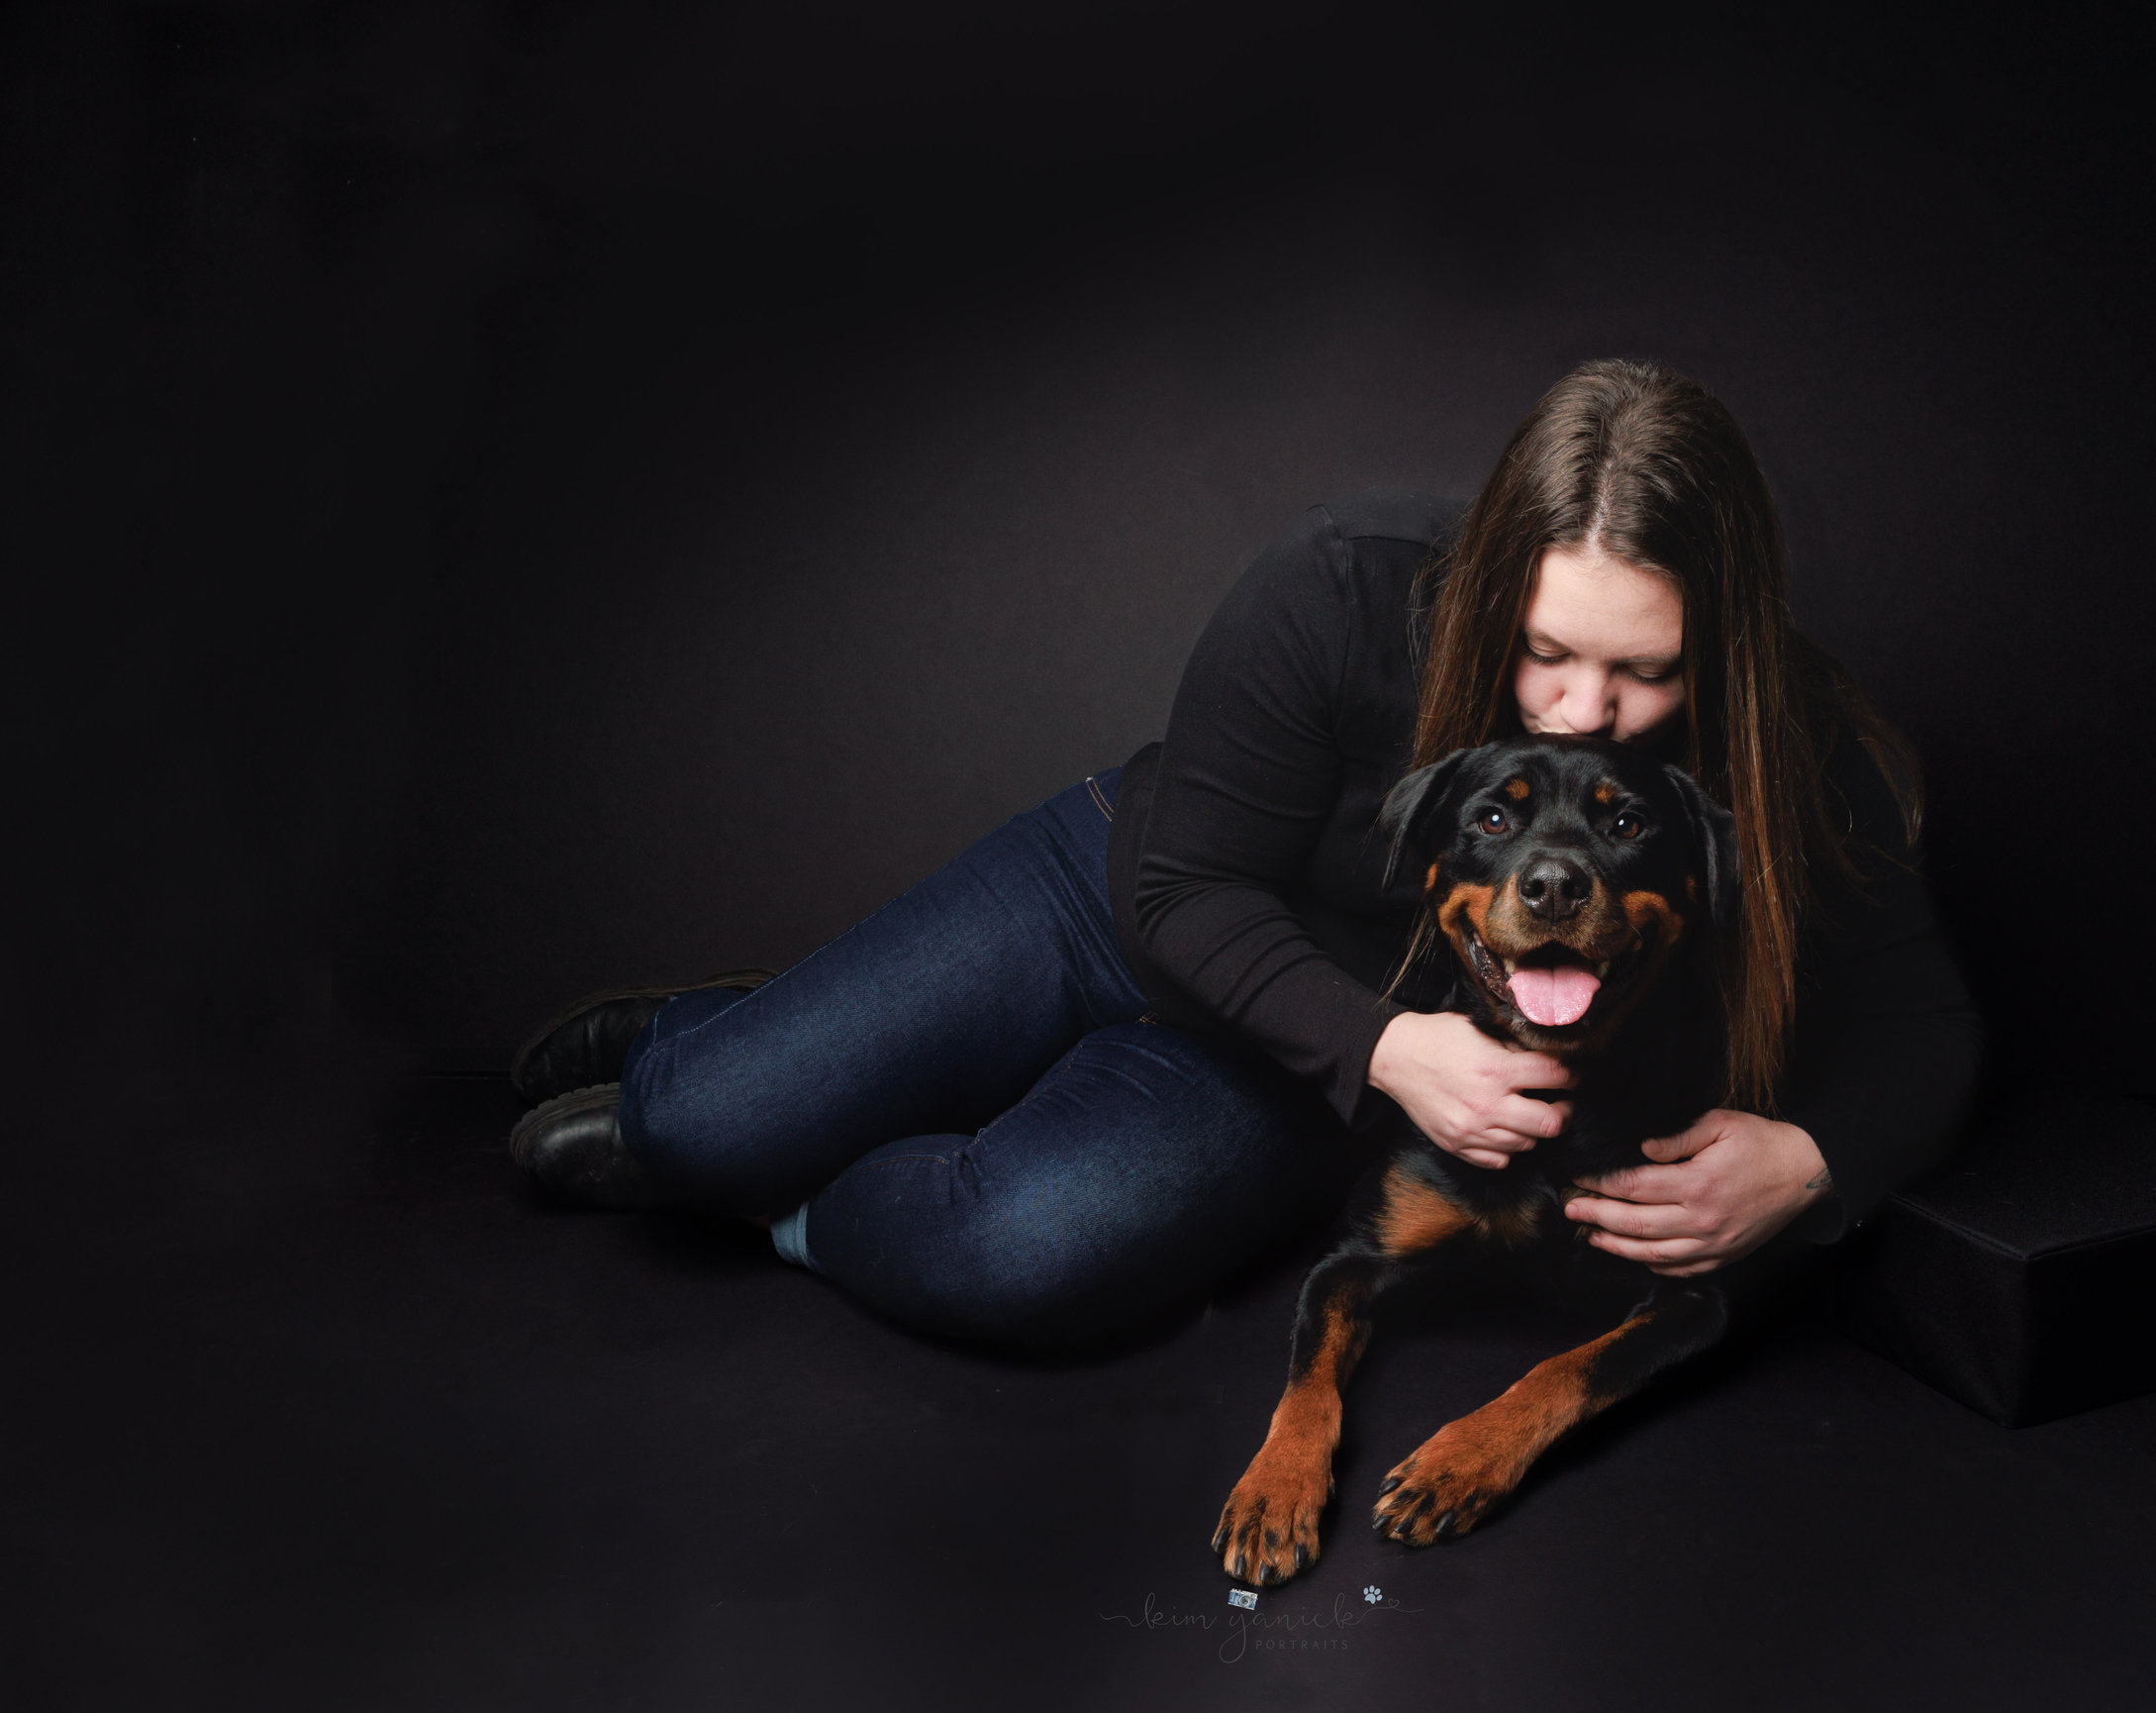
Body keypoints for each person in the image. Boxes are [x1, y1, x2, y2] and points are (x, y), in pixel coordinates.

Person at [508, 358, 1982, 1351]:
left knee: (1015, 1260)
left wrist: (1814, 1158)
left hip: (1294, 1064)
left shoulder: (1799, 745)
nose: (1584, 712)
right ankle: (730, 1042)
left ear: (1716, 640)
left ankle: (801, 1179)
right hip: (1128, 898)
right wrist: (1391, 1042)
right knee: (695, 1118)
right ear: (1485, 584)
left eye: (1645, 673)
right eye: (1542, 652)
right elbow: (1178, 886)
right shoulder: (1339, 583)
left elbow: (1921, 1020)